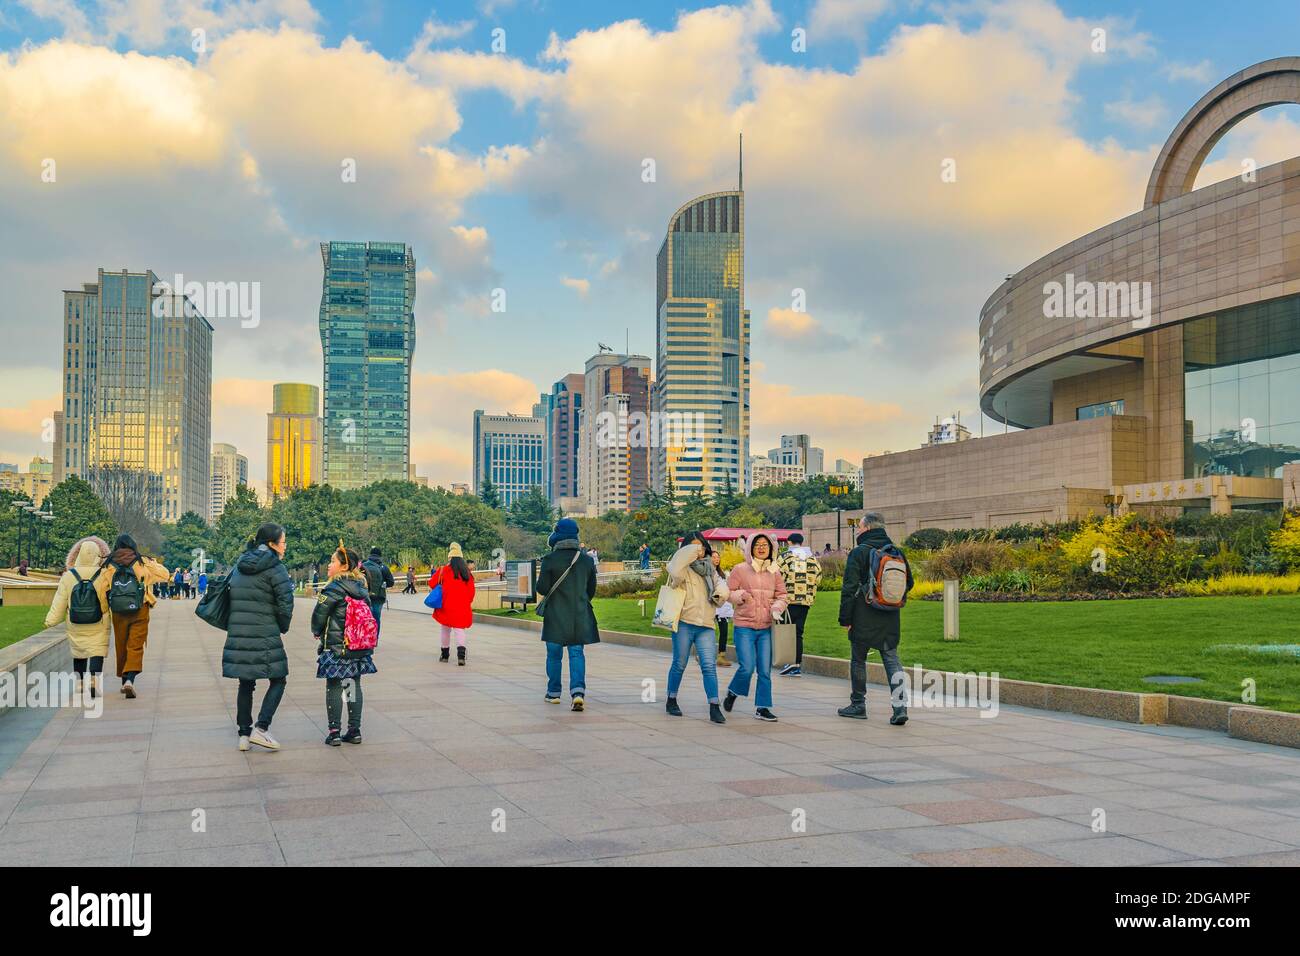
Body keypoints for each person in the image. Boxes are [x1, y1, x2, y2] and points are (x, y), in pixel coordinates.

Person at [222, 523, 294, 751]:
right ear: (272, 544)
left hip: (240, 632)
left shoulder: (241, 564)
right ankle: (261, 728)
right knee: (279, 678)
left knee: (246, 681)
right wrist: (282, 626)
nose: (285, 546)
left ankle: (244, 734)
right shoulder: (276, 568)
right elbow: (285, 604)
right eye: (283, 542)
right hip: (265, 631)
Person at [838, 512, 913, 725]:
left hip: (863, 613)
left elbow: (849, 588)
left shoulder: (859, 553)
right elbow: (910, 583)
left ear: (868, 528)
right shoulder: (896, 552)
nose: (858, 531)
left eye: (860, 528)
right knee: (891, 659)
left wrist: (845, 618)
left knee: (859, 659)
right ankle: (900, 707)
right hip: (890, 615)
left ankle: (858, 704)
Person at [311, 544, 377, 746]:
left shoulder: (332, 588)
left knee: (334, 684)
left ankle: (334, 732)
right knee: (352, 683)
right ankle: (354, 730)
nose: (329, 565)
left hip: (337, 647)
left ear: (343, 566)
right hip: (357, 646)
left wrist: (316, 631)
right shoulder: (361, 588)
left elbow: (319, 616)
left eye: (333, 561)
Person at [664, 532, 729, 724]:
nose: (698, 551)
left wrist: (718, 597)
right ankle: (671, 699)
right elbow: (674, 574)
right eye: (692, 547)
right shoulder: (682, 569)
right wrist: (683, 558)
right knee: (679, 664)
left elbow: (722, 587)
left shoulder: (710, 569)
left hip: (706, 625)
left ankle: (714, 706)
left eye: (700, 547)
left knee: (709, 666)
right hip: (684, 622)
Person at [722, 532, 787, 722]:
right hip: (744, 626)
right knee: (747, 667)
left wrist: (777, 607)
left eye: (765, 545)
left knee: (764, 671)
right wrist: (739, 596)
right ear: (750, 547)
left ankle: (763, 707)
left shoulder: (775, 571)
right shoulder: (740, 569)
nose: (761, 547)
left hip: (765, 627)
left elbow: (782, 595)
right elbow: (729, 592)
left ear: (771, 549)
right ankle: (733, 691)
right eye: (757, 544)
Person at [536, 517, 598, 711]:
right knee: (577, 653)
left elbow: (543, 588)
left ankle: (553, 693)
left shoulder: (549, 559)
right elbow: (592, 590)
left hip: (555, 614)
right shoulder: (586, 560)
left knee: (554, 655)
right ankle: (578, 693)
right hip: (579, 613)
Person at [45, 536, 111, 699]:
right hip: (99, 621)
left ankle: (80, 683)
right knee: (97, 650)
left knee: (79, 651)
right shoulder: (104, 575)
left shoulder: (68, 576)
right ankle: (94, 681)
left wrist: (51, 620)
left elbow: (59, 600)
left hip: (75, 622)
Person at [104, 534, 169, 699]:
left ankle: (124, 679)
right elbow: (165, 574)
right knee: (136, 644)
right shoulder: (142, 561)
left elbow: (102, 587)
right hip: (140, 607)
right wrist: (151, 562)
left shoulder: (108, 563)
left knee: (121, 644)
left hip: (118, 610)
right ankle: (130, 680)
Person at [776, 532, 822, 678]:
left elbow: (777, 576)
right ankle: (796, 665)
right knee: (798, 633)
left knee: (786, 631)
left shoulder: (785, 557)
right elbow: (818, 577)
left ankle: (789, 663)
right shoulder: (812, 558)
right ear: (801, 542)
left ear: (789, 542)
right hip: (805, 600)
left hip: (788, 599)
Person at [431, 542, 476, 665]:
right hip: (462, 606)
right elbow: (471, 592)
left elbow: (432, 584)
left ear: (450, 558)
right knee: (459, 630)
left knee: (445, 629)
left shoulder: (444, 570)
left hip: (446, 605)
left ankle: (445, 655)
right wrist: (466, 602)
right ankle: (461, 656)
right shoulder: (467, 573)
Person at [360, 547, 395, 636]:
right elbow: (391, 582)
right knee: (376, 619)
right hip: (378, 597)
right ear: (380, 556)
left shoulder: (363, 566)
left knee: (364, 618)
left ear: (370, 555)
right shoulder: (383, 567)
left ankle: (364, 637)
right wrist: (383, 584)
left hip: (364, 596)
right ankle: (374, 639)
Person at [712, 547, 733, 668]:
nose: (716, 559)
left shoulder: (723, 574)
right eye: (713, 557)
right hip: (711, 605)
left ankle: (721, 655)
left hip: (723, 607)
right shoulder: (708, 574)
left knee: (724, 631)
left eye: (717, 557)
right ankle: (704, 654)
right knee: (709, 632)